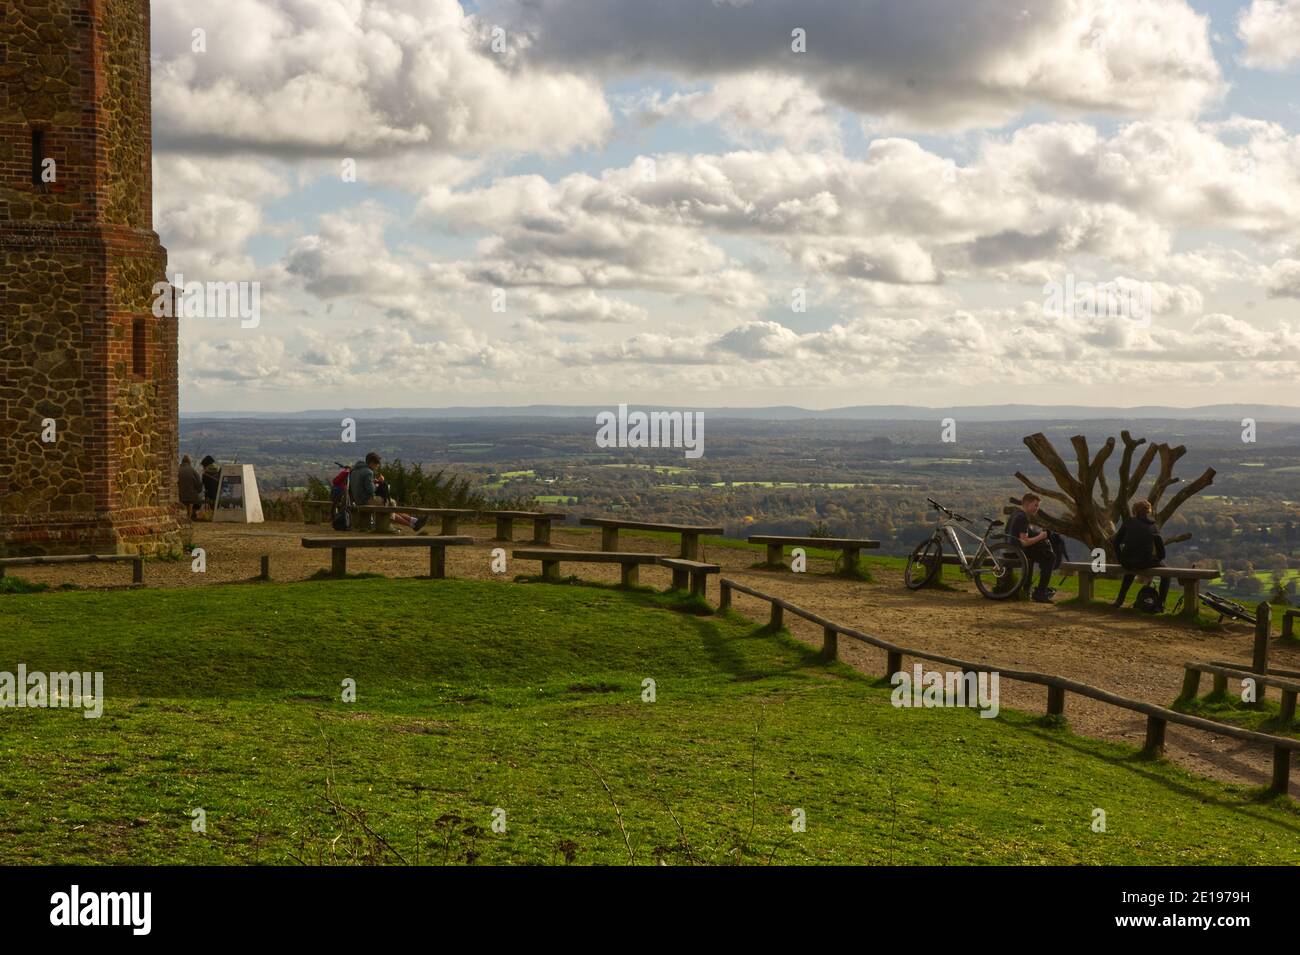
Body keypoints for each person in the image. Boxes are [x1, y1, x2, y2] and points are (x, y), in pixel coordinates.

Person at [1112, 499, 1170, 611]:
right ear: (1148, 511)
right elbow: (1162, 552)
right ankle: (1160, 604)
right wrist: (1156, 559)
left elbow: (1116, 542)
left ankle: (1119, 600)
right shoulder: (1153, 526)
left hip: (1127, 562)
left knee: (1131, 570)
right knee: (1166, 574)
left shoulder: (1128, 522)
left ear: (1135, 511)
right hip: (1144, 562)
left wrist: (1121, 559)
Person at [348, 452, 427, 532]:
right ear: (372, 462)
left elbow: (361, 486)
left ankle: (414, 521)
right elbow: (371, 490)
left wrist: (373, 482)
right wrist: (379, 483)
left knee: (389, 505)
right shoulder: (368, 472)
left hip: (358, 500)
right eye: (377, 464)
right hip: (365, 500)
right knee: (390, 503)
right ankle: (412, 524)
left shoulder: (355, 470)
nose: (377, 466)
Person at [1006, 492, 1056, 603]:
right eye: (1035, 505)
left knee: (1044, 554)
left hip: (1011, 548)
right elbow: (1024, 542)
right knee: (1050, 557)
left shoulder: (1016, 513)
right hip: (1018, 551)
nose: (1037, 508)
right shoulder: (1023, 517)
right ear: (1027, 504)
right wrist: (1041, 536)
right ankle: (1040, 592)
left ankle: (1029, 589)